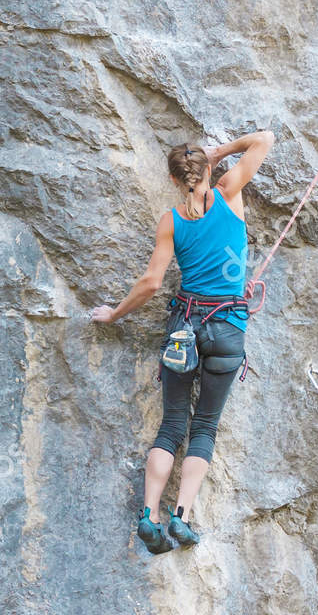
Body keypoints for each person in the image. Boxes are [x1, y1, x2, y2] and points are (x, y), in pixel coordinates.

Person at [91, 129, 275, 551]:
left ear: (174, 181)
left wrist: (115, 314)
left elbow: (152, 283)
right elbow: (264, 139)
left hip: (183, 329)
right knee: (203, 427)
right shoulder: (230, 193)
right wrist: (220, 150)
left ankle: (149, 515)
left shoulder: (171, 221)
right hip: (228, 329)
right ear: (209, 170)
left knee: (172, 425)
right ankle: (182, 518)